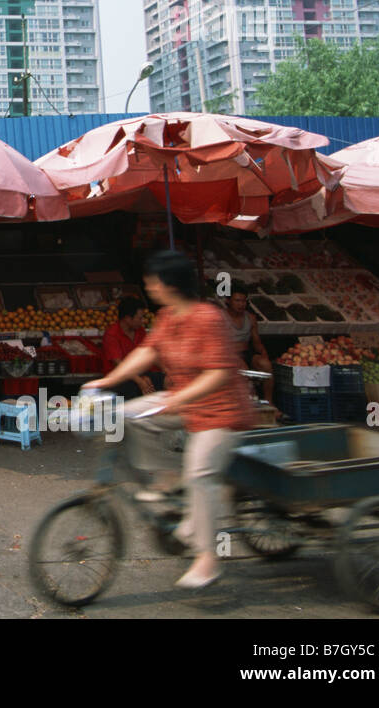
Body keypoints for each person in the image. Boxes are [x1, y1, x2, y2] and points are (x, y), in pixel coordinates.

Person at [84, 250, 255, 591]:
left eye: (152, 281)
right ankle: (167, 478)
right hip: (183, 402)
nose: (149, 287)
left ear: (168, 284)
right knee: (126, 416)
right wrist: (107, 381)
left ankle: (207, 559)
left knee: (201, 471)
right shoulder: (167, 317)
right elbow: (148, 351)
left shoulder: (209, 318)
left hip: (221, 413)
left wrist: (178, 398)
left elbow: (220, 373)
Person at [222, 287, 274, 404]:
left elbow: (256, 342)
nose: (241, 304)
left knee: (265, 366)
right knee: (243, 369)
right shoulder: (220, 317)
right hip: (227, 355)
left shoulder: (250, 318)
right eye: (237, 301)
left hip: (246, 353)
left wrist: (263, 353)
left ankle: (269, 403)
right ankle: (248, 405)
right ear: (228, 301)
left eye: (243, 301)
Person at [100, 297, 154, 399]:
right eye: (140, 318)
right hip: (118, 380)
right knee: (133, 388)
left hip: (137, 375)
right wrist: (140, 381)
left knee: (164, 380)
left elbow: (149, 352)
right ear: (128, 318)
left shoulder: (140, 331)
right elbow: (120, 364)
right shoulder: (112, 335)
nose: (143, 321)